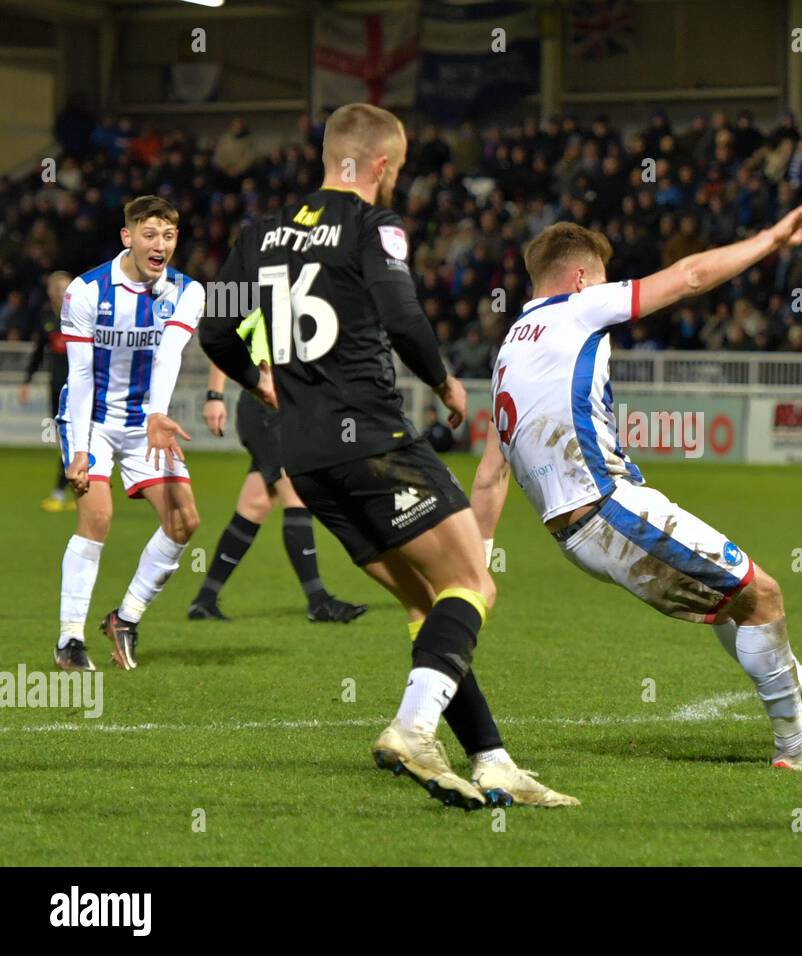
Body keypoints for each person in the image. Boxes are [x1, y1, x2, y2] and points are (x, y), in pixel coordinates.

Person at [199, 103, 573, 809]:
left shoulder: (257, 234)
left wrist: (257, 381)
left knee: (423, 600)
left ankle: (492, 758)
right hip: (373, 440)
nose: (396, 180)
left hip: (304, 458)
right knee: (474, 582)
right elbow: (402, 316)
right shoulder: (373, 226)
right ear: (377, 164)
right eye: (396, 169)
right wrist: (444, 380)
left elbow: (217, 330)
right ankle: (411, 726)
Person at [471, 213, 802, 771]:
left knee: (730, 601)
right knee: (764, 594)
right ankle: (798, 746)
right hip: (609, 510)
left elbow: (489, 475)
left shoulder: (509, 352)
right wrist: (770, 238)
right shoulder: (579, 309)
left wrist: (477, 562)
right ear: (584, 278)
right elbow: (688, 277)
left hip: (577, 529)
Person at [55, 195, 204, 672]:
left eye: (169, 236)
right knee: (97, 517)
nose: (160, 245)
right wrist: (79, 450)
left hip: (145, 422)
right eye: (149, 235)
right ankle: (70, 640)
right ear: (128, 237)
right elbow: (78, 374)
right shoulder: (85, 291)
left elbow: (169, 355)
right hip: (92, 420)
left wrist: (156, 414)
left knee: (184, 522)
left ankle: (126, 617)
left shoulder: (188, 291)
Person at [189, 309, 368, 623]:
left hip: (289, 409)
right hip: (263, 409)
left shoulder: (309, 296)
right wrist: (215, 396)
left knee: (255, 504)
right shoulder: (263, 297)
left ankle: (204, 600)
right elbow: (221, 339)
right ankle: (318, 601)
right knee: (296, 493)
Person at [21, 271, 75, 512]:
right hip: (56, 388)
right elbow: (38, 352)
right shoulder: (45, 318)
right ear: (50, 292)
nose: (61, 293)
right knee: (66, 441)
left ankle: (60, 492)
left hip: (80, 388)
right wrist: (27, 381)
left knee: (72, 440)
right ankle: (79, 488)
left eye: (65, 288)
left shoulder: (81, 316)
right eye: (57, 289)